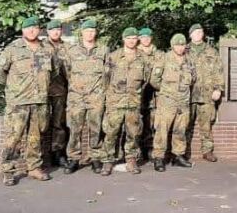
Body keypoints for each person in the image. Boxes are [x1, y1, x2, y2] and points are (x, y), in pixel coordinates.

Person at [0, 16, 55, 186]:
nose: (32, 31)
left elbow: (54, 72)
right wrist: (14, 88)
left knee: (36, 137)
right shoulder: (13, 49)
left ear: (39, 30)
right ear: (23, 30)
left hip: (39, 101)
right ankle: (8, 170)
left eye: (35, 28)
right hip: (18, 102)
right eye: (29, 28)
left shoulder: (47, 50)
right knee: (14, 138)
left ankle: (34, 168)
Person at [100, 27, 149, 176]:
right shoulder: (113, 57)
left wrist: (135, 93)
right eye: (129, 38)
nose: (131, 41)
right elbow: (105, 79)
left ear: (138, 40)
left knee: (133, 134)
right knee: (111, 132)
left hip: (133, 102)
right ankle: (107, 161)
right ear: (123, 39)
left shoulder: (143, 58)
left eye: (134, 38)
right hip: (115, 102)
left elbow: (145, 80)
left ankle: (131, 160)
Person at [61, 18, 108, 174]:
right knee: (74, 129)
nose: (90, 34)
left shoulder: (103, 50)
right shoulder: (72, 51)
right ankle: (74, 159)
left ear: (96, 33)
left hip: (96, 96)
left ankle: (96, 158)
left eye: (93, 31)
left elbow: (108, 73)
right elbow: (66, 72)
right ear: (82, 33)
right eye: (87, 31)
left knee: (96, 128)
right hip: (76, 98)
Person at [149, 33, 196, 170]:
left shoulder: (189, 61)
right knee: (162, 130)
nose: (180, 48)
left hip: (183, 101)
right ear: (172, 45)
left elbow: (193, 79)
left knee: (180, 130)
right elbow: (154, 80)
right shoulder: (164, 59)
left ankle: (178, 156)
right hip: (167, 101)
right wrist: (166, 91)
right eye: (177, 45)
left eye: (182, 45)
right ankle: (158, 158)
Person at [186, 23, 224, 162]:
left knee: (206, 125)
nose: (198, 34)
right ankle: (183, 152)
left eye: (200, 32)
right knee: (185, 124)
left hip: (207, 94)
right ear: (190, 35)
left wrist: (218, 88)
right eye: (195, 32)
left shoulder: (211, 51)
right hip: (188, 94)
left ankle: (207, 151)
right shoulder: (184, 50)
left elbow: (218, 71)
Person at [137, 27, 164, 161]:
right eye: (142, 37)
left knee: (153, 123)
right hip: (138, 94)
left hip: (154, 95)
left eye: (147, 37)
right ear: (139, 39)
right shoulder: (134, 53)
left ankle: (149, 149)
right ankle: (138, 150)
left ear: (151, 38)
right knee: (137, 122)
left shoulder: (160, 55)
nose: (145, 39)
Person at [44, 19, 68, 168]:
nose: (56, 32)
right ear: (47, 32)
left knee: (59, 123)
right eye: (53, 30)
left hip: (60, 90)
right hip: (42, 91)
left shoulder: (67, 48)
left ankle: (58, 153)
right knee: (40, 123)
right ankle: (39, 154)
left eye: (58, 29)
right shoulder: (41, 47)